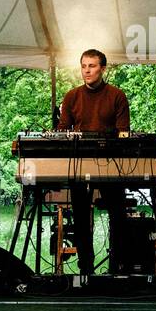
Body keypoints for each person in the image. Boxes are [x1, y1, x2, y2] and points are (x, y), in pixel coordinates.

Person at [57, 49, 130, 275]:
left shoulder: (117, 95)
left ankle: (116, 266)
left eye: (92, 66)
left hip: (111, 162)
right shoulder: (72, 96)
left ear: (103, 69)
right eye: (84, 66)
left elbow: (123, 133)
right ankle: (85, 268)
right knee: (80, 215)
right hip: (79, 162)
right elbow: (62, 130)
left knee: (117, 213)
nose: (87, 70)